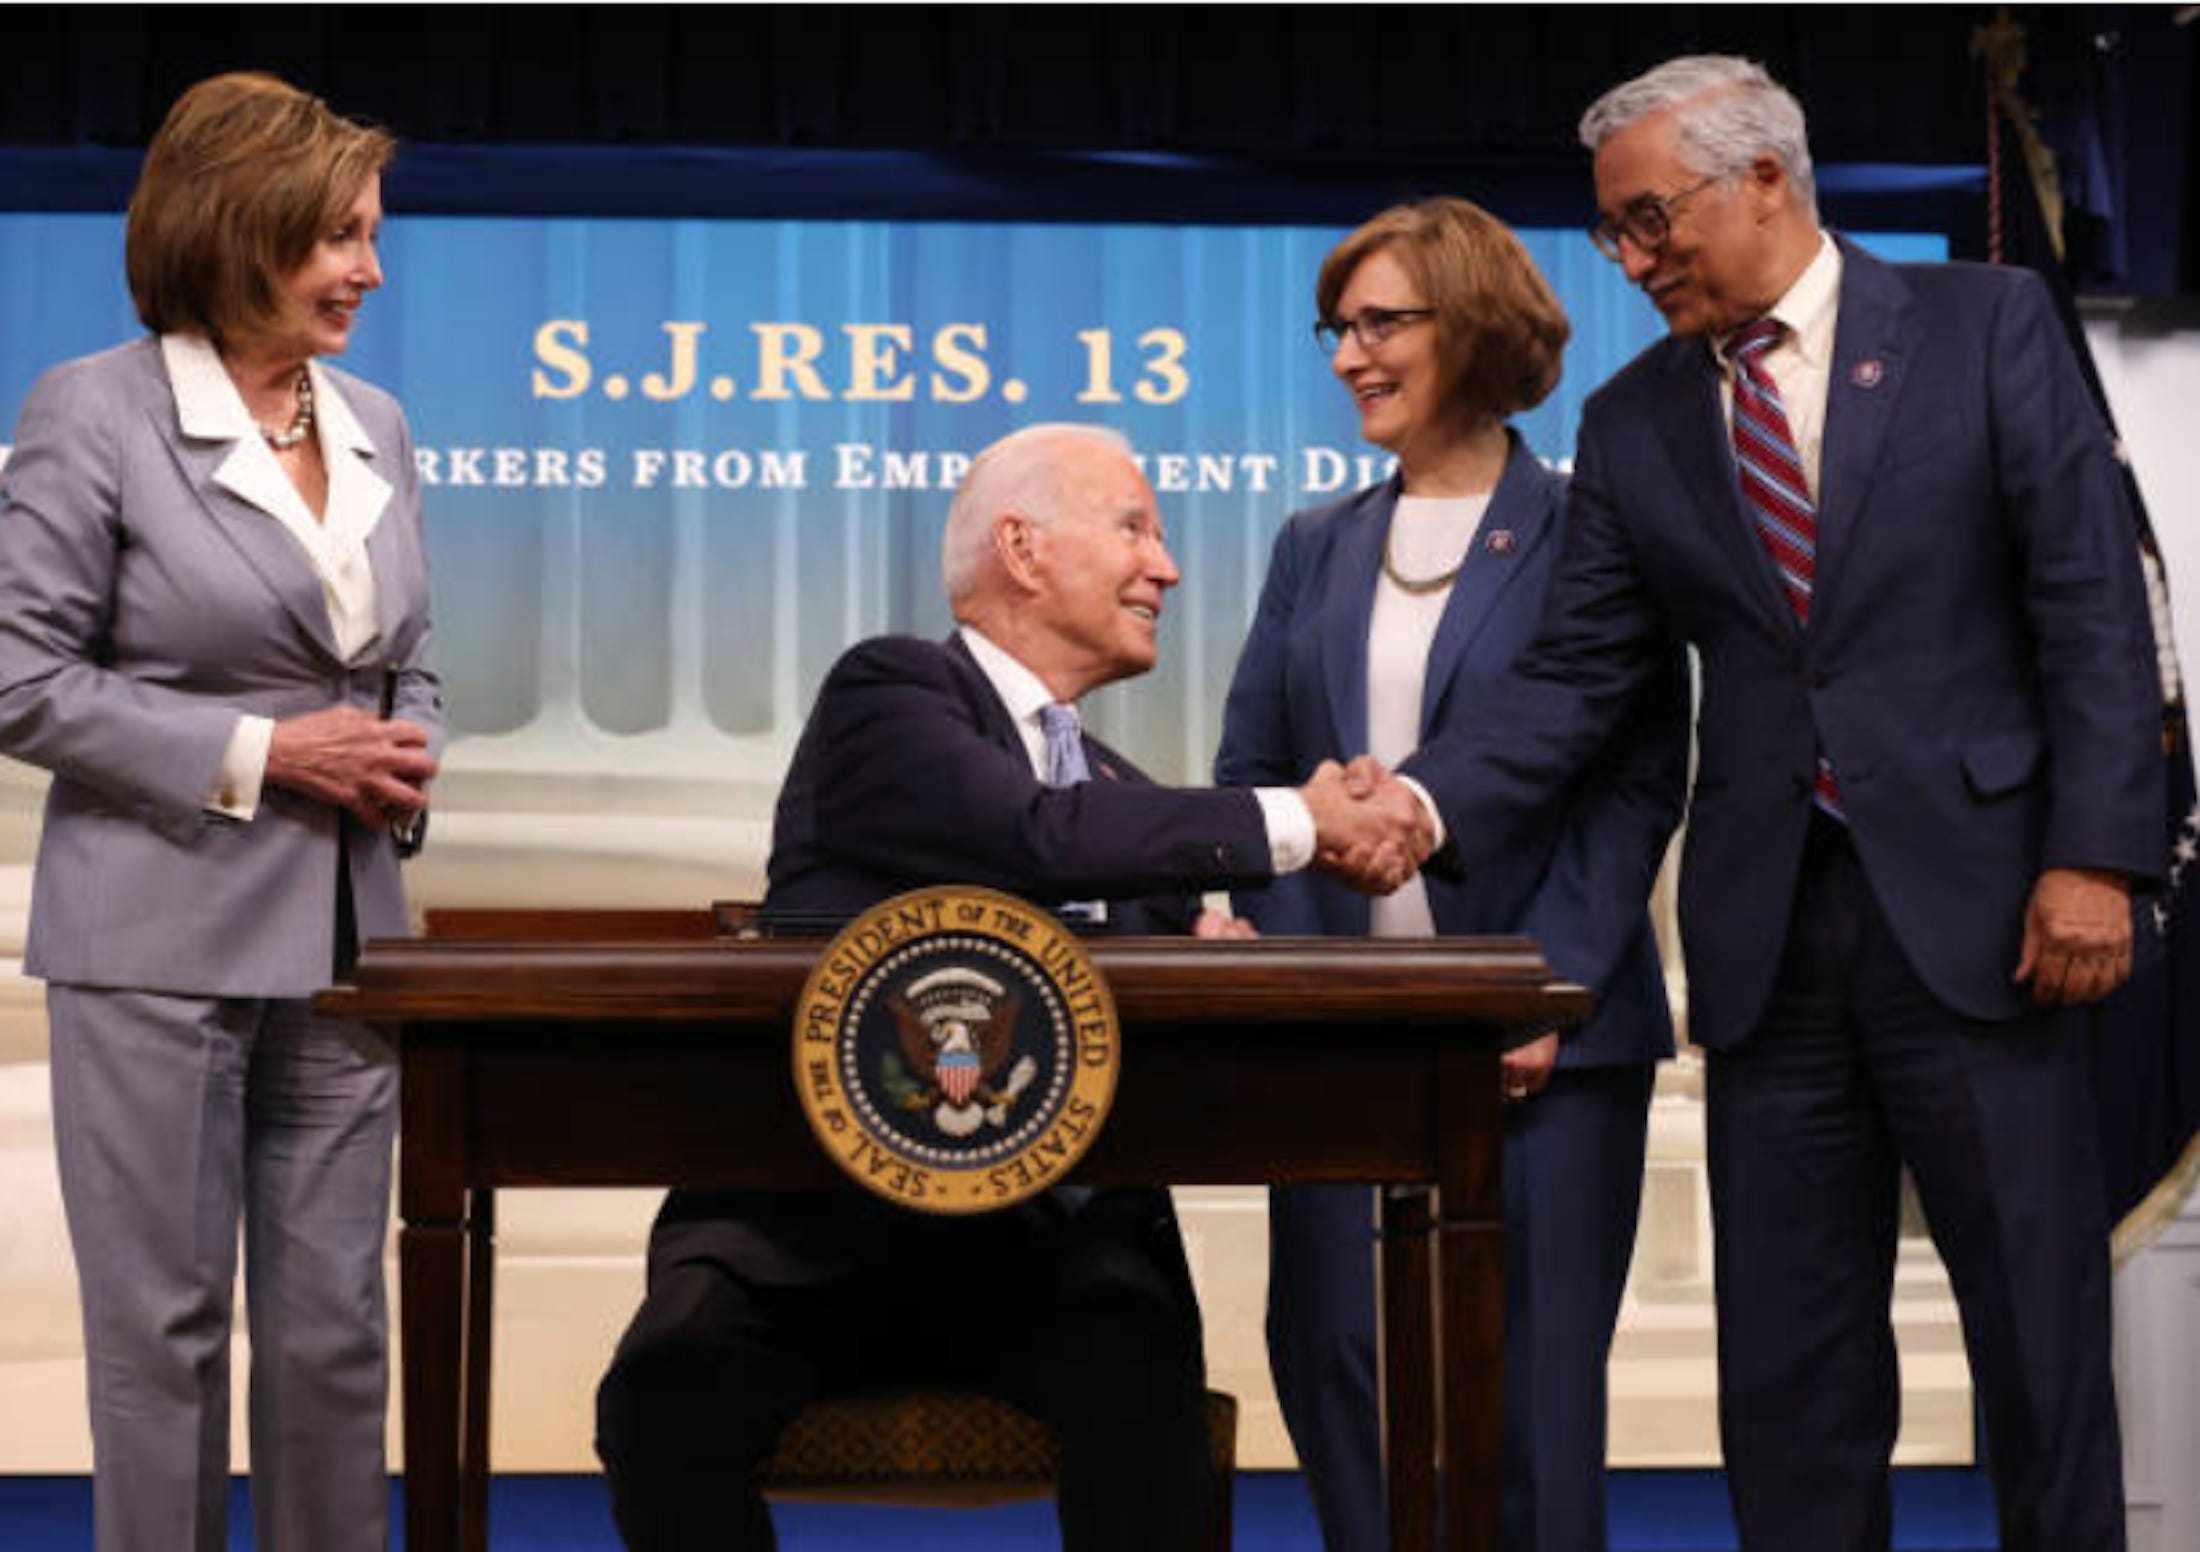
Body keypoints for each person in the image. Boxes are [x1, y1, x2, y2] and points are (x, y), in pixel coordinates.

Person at [1368, 55, 2161, 1552]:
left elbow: (2090, 608)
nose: (1636, 257)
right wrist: (1418, 800)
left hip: (1995, 923)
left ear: (1766, 180)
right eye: (1615, 232)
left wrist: (2098, 858)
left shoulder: (1985, 327)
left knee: (2042, 1360)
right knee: (1791, 1379)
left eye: (1653, 218)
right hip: (1768, 951)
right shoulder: (1636, 416)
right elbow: (1575, 682)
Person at [592, 422, 1429, 1552]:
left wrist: (1224, 913)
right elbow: (1034, 834)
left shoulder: (1116, 785)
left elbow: (1128, 848)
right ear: (1022, 550)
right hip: (809, 1228)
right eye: (1134, 528)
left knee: (1146, 1398)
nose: (1167, 567)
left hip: (1046, 1237)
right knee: (664, 1390)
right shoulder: (888, 691)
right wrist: (1299, 816)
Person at [0, 73, 441, 1552]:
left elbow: (403, 661)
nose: (370, 272)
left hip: (342, 945)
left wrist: (403, 746)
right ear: (238, 229)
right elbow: (17, 678)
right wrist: (265, 753)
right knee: (167, 1342)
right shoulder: (95, 413)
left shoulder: (375, 417)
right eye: (340, 240)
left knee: (332, 1342)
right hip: (155, 940)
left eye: (372, 238)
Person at [1214, 197, 1687, 1552]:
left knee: (1528, 1394)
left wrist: (1550, 989)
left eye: (1383, 323)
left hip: (1542, 1041)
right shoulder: (1314, 541)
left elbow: (1637, 780)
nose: (1352, 354)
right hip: (1335, 1042)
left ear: (1471, 324)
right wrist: (1267, 955)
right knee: (1336, 1364)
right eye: (1338, 330)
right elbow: (1259, 769)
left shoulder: (1594, 527)